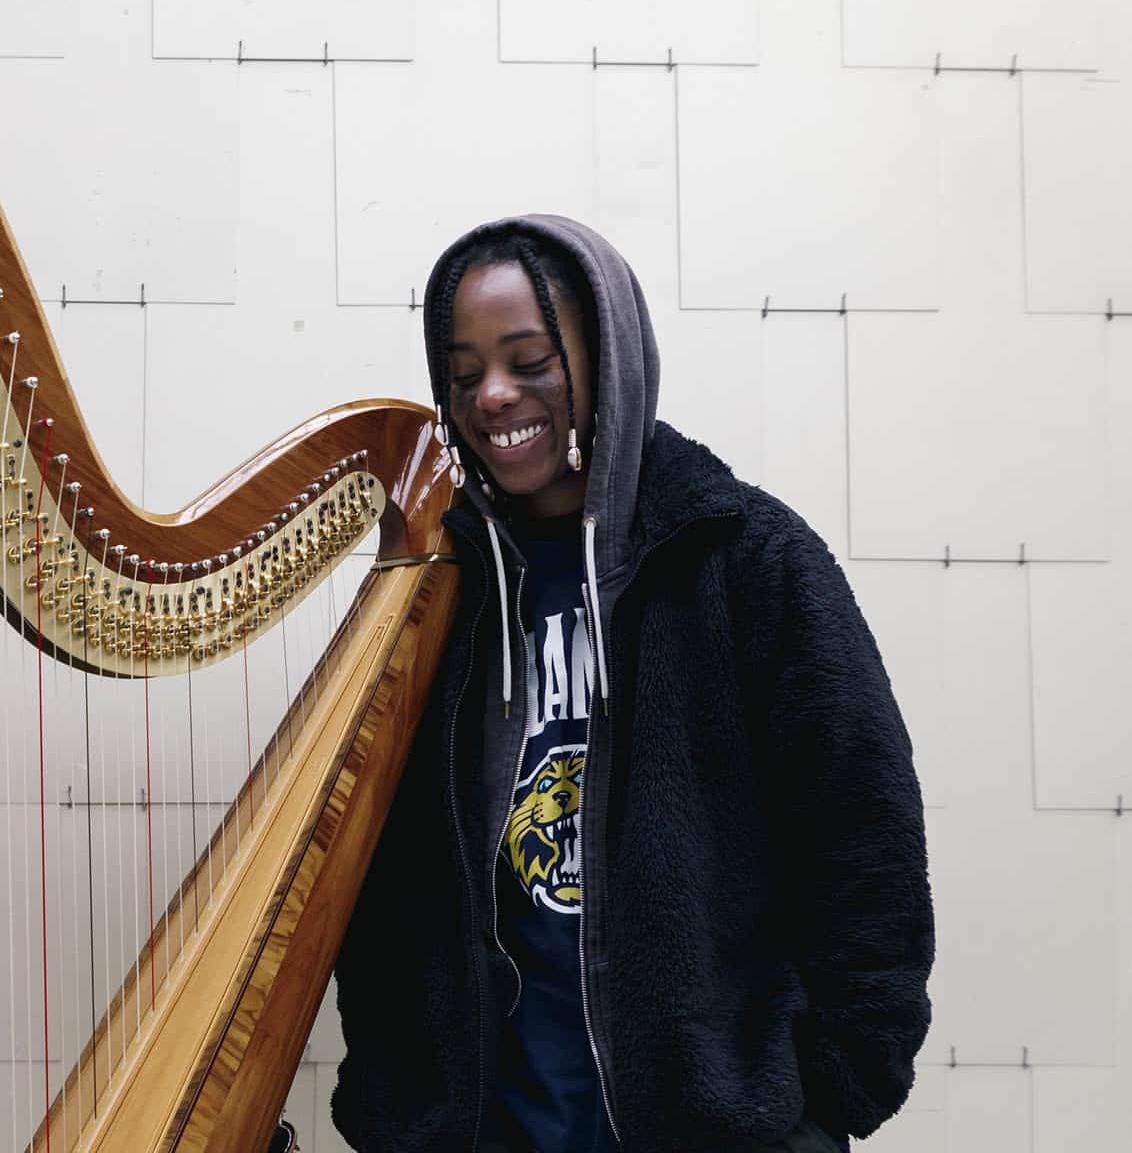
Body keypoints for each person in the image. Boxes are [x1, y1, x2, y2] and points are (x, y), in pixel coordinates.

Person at [330, 215, 933, 1152]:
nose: (492, 395)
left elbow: (866, 846)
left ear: (606, 354)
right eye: (463, 373)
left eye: (529, 360)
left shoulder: (746, 561)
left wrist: (821, 1104)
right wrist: (394, 1096)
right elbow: (386, 897)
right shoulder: (437, 594)